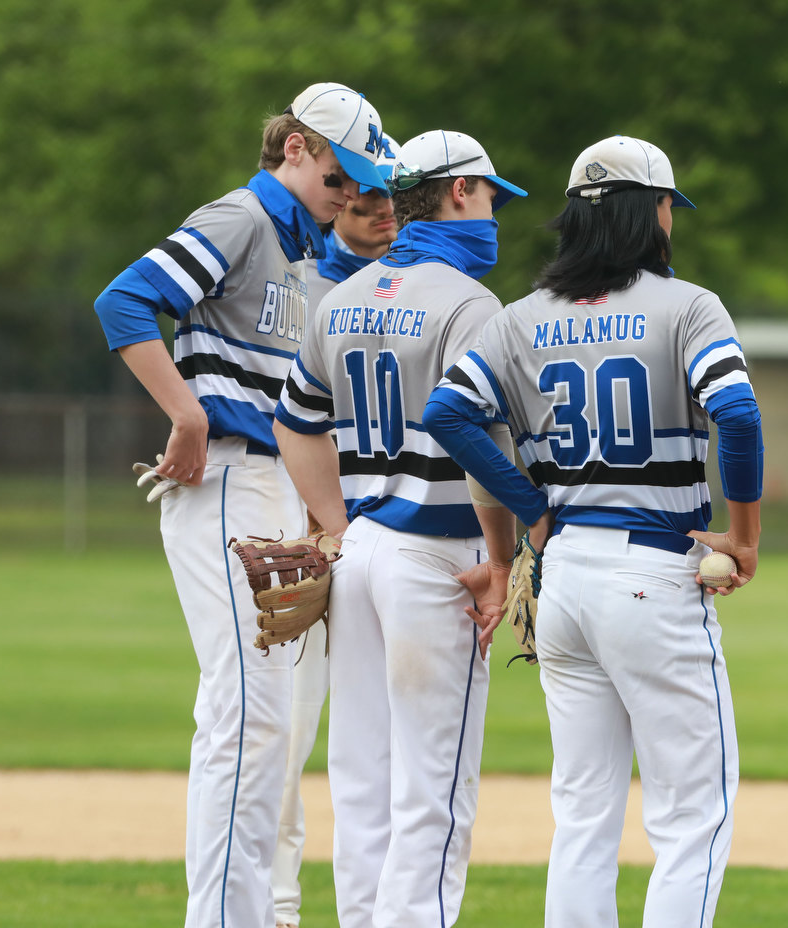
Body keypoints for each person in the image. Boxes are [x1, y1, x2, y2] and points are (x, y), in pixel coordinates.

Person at [422, 135, 764, 928]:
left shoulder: (520, 319)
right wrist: (744, 535)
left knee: (582, 816)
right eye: (670, 206)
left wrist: (533, 508)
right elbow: (739, 413)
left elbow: (449, 413)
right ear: (654, 212)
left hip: (566, 576)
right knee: (693, 817)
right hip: (654, 572)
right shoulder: (689, 306)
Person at [92, 82, 390, 928]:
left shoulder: (303, 247)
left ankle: (251, 913)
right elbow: (124, 299)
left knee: (266, 722)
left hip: (271, 487)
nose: (349, 192)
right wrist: (185, 413)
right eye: (339, 173)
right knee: (249, 717)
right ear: (295, 146)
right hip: (227, 478)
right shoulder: (242, 219)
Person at [273, 128, 527, 928]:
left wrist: (338, 525)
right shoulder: (469, 303)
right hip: (439, 558)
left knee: (362, 779)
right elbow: (482, 443)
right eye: (489, 197)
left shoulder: (343, 295)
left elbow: (293, 423)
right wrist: (502, 561)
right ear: (458, 191)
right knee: (433, 791)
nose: (493, 215)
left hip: (361, 555)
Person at [270, 135, 399, 928]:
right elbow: (288, 419)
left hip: (387, 534)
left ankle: (387, 908)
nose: (381, 209)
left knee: (383, 739)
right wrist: (316, 520)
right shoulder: (308, 284)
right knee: (287, 724)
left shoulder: (414, 289)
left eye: (392, 197)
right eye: (366, 194)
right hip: (313, 525)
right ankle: (279, 906)